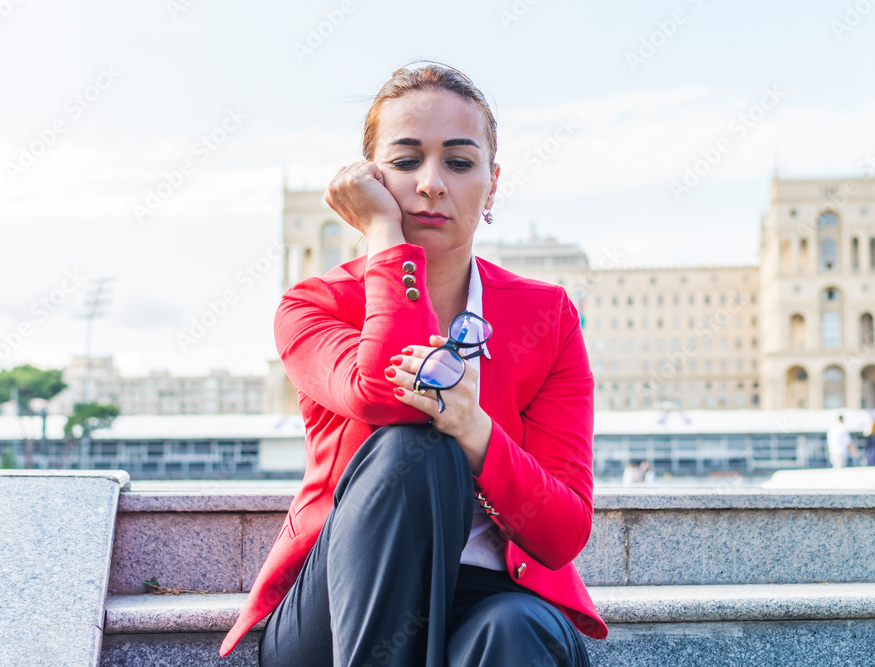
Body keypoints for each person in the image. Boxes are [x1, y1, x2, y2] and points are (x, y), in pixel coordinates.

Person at [219, 63, 605, 666]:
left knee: (516, 628)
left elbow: (561, 532)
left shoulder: (547, 315)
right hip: (339, 611)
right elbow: (385, 395)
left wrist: (476, 431)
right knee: (414, 448)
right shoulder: (314, 305)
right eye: (404, 162)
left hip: (493, 600)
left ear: (492, 184)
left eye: (458, 161)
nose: (430, 183)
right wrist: (384, 235)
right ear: (367, 180)